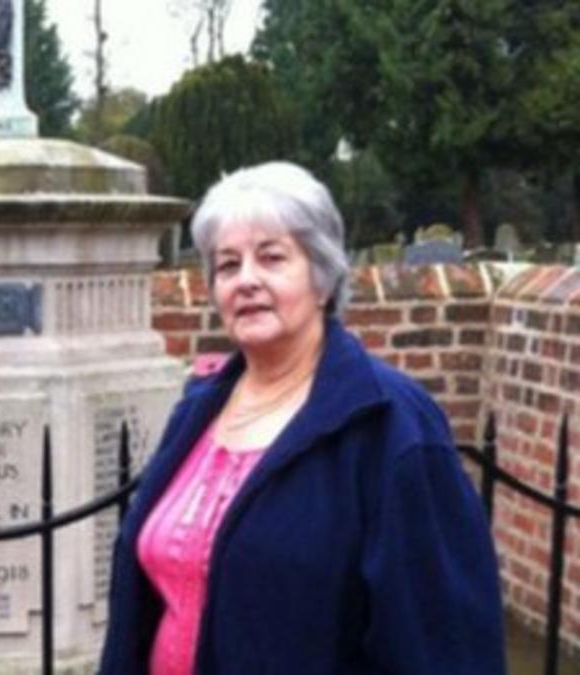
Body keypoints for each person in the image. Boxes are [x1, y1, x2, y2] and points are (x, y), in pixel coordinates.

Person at [98, 162, 505, 674]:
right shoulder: (198, 410)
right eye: (227, 266)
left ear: (322, 278)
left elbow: (443, 642)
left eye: (271, 258)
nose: (246, 280)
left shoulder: (391, 425)